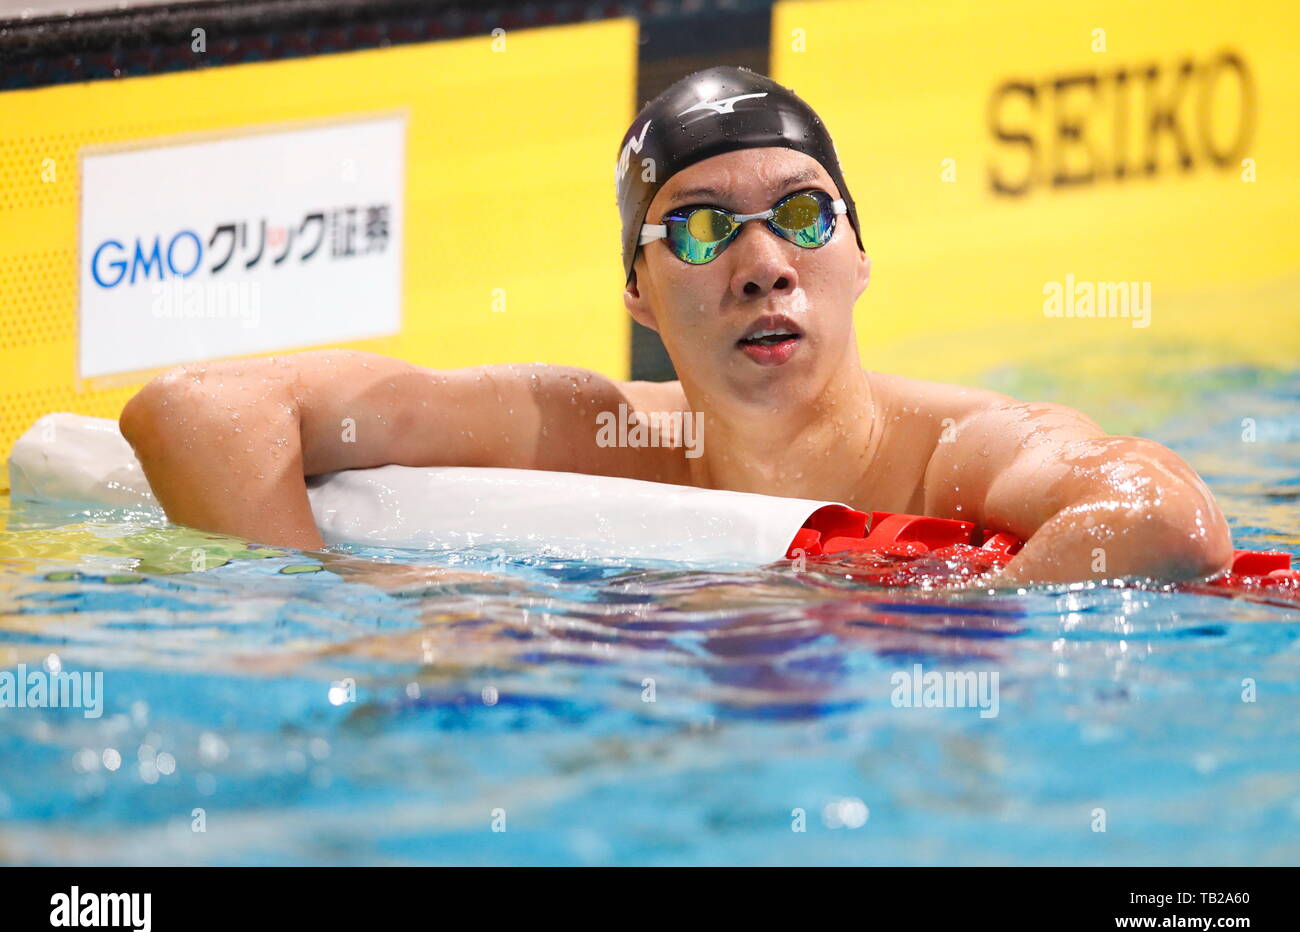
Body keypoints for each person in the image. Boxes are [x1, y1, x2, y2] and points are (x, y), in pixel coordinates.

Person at [119, 66, 1231, 584]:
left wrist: (948, 614)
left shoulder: (954, 455)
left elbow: (1167, 520)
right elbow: (198, 411)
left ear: (857, 254)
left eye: (800, 215)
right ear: (638, 299)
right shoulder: (595, 430)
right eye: (698, 230)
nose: (760, 266)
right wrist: (330, 614)